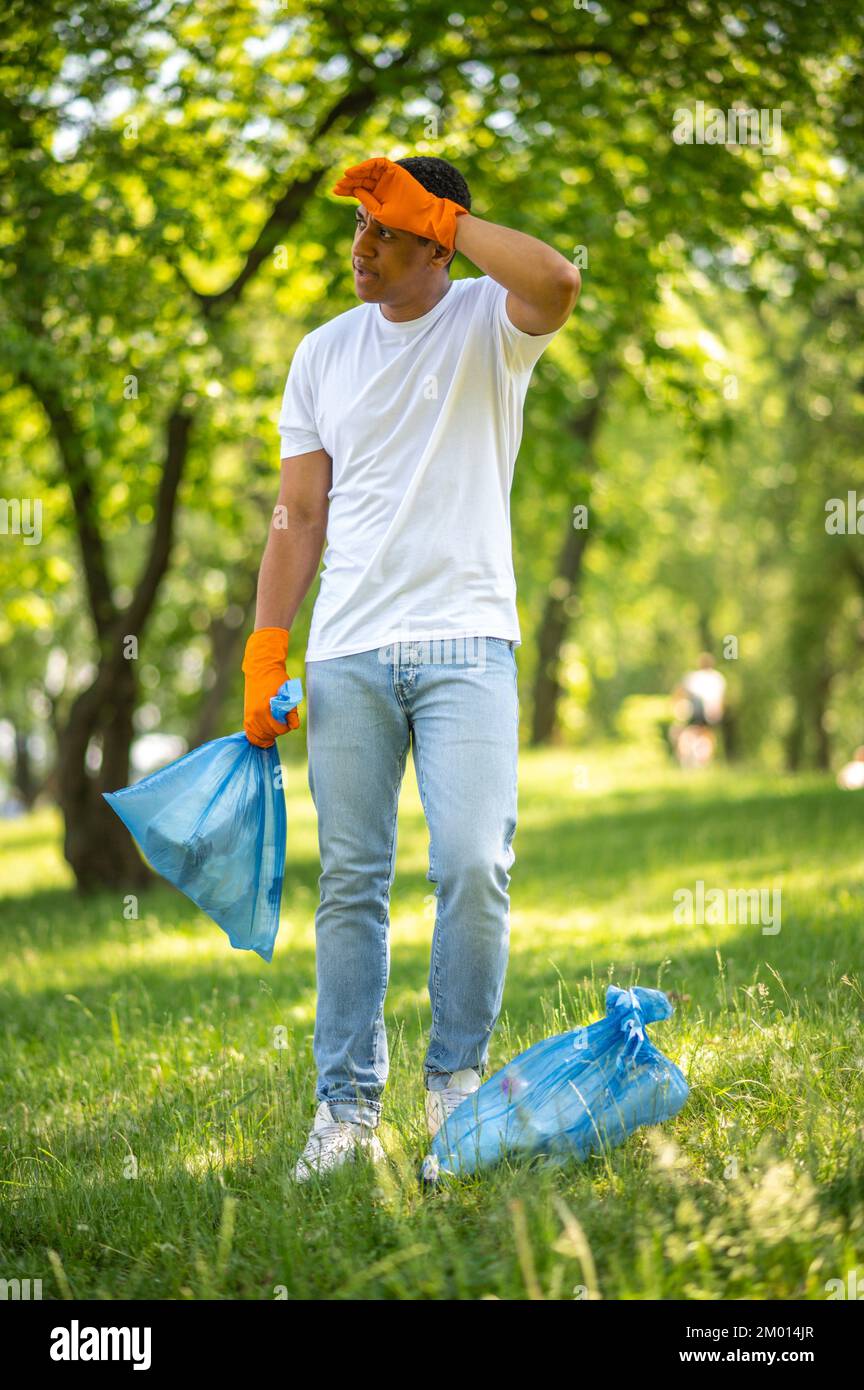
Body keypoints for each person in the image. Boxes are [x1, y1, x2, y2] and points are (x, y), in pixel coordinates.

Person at [242, 155, 581, 1180]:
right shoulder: (322, 353)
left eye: (384, 228)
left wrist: (444, 214)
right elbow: (298, 517)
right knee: (350, 884)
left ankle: (457, 1087)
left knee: (474, 863)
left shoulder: (488, 323)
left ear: (436, 237)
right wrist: (268, 647)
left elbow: (559, 281)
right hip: (348, 652)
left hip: (467, 642)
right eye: (357, 225)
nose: (361, 244)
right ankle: (344, 1110)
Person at [670, 653, 727, 768]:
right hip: (711, 710)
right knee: (706, 735)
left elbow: (680, 691)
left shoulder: (693, 677)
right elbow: (720, 699)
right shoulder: (718, 678)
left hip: (696, 708)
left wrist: (677, 707)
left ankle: (689, 759)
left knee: (690, 733)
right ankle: (701, 761)